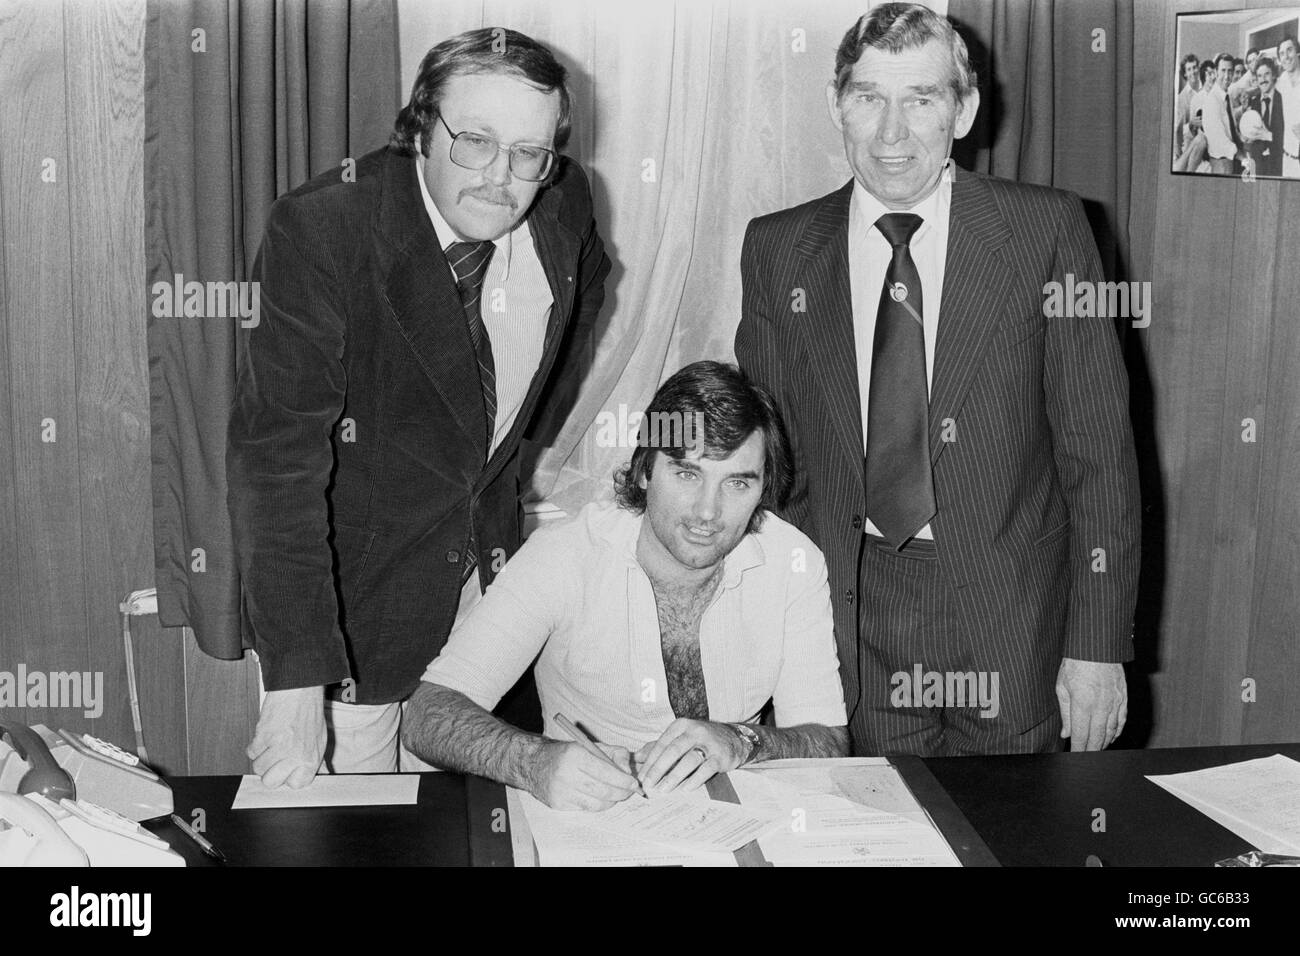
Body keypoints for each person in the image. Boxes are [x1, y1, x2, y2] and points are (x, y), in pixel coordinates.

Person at [735, 3, 1141, 757]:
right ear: (837, 105)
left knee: (1012, 839)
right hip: (849, 617)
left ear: (964, 109)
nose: (893, 134)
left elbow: (1100, 458)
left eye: (922, 99)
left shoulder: (1047, 233)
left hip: (1013, 621)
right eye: (868, 99)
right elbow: (772, 468)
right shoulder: (777, 249)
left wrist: (1097, 645)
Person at [228, 28, 611, 787]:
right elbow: (277, 465)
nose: (502, 178)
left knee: (475, 834)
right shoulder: (324, 228)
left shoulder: (564, 200)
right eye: (474, 141)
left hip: (488, 607)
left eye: (529, 153)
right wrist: (298, 684)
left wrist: (512, 448)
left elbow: (583, 299)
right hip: (353, 618)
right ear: (419, 128)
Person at [402, 362, 850, 809]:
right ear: (644, 470)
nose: (708, 512)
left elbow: (828, 741)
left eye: (736, 483)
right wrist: (533, 762)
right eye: (687, 474)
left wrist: (743, 740)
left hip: (736, 819)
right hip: (591, 822)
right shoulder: (566, 555)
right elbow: (426, 715)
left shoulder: (794, 561)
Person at [1244, 57, 1284, 178]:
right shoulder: (1253, 103)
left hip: (1278, 167)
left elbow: (1287, 136)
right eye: (1260, 76)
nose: (1263, 80)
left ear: (1273, 76)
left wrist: (1268, 135)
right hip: (1258, 168)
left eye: (1267, 74)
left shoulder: (1283, 100)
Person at [1276, 36, 1300, 177]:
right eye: (1282, 53)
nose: (1286, 57)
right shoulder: (1281, 81)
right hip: (1288, 158)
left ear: (1297, 51)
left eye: (1289, 50)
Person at [1174, 52, 1201, 159]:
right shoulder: (1182, 98)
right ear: (1185, 74)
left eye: (1194, 67)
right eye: (1189, 69)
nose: (1193, 72)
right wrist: (1190, 124)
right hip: (1192, 148)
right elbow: (1178, 130)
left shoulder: (1206, 88)